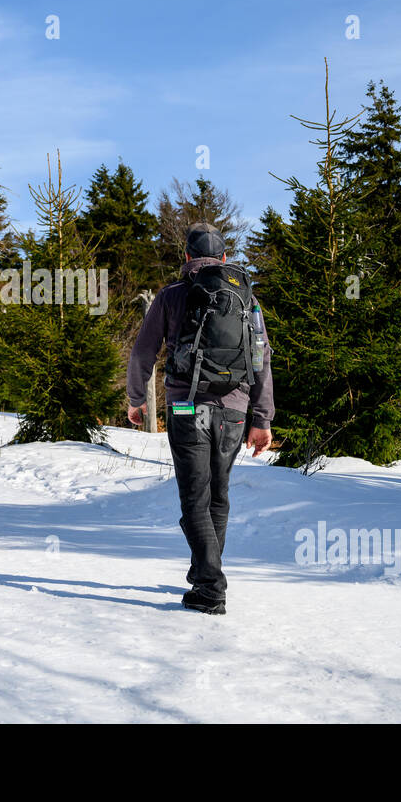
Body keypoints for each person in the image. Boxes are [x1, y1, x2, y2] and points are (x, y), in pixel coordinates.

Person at [126, 223, 274, 615]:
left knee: (195, 496)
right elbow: (261, 359)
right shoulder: (248, 299)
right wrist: (262, 418)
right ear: (225, 258)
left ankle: (209, 585)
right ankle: (204, 571)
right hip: (235, 410)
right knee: (218, 496)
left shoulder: (172, 294)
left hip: (187, 407)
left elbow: (144, 352)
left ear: (187, 257)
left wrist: (136, 399)